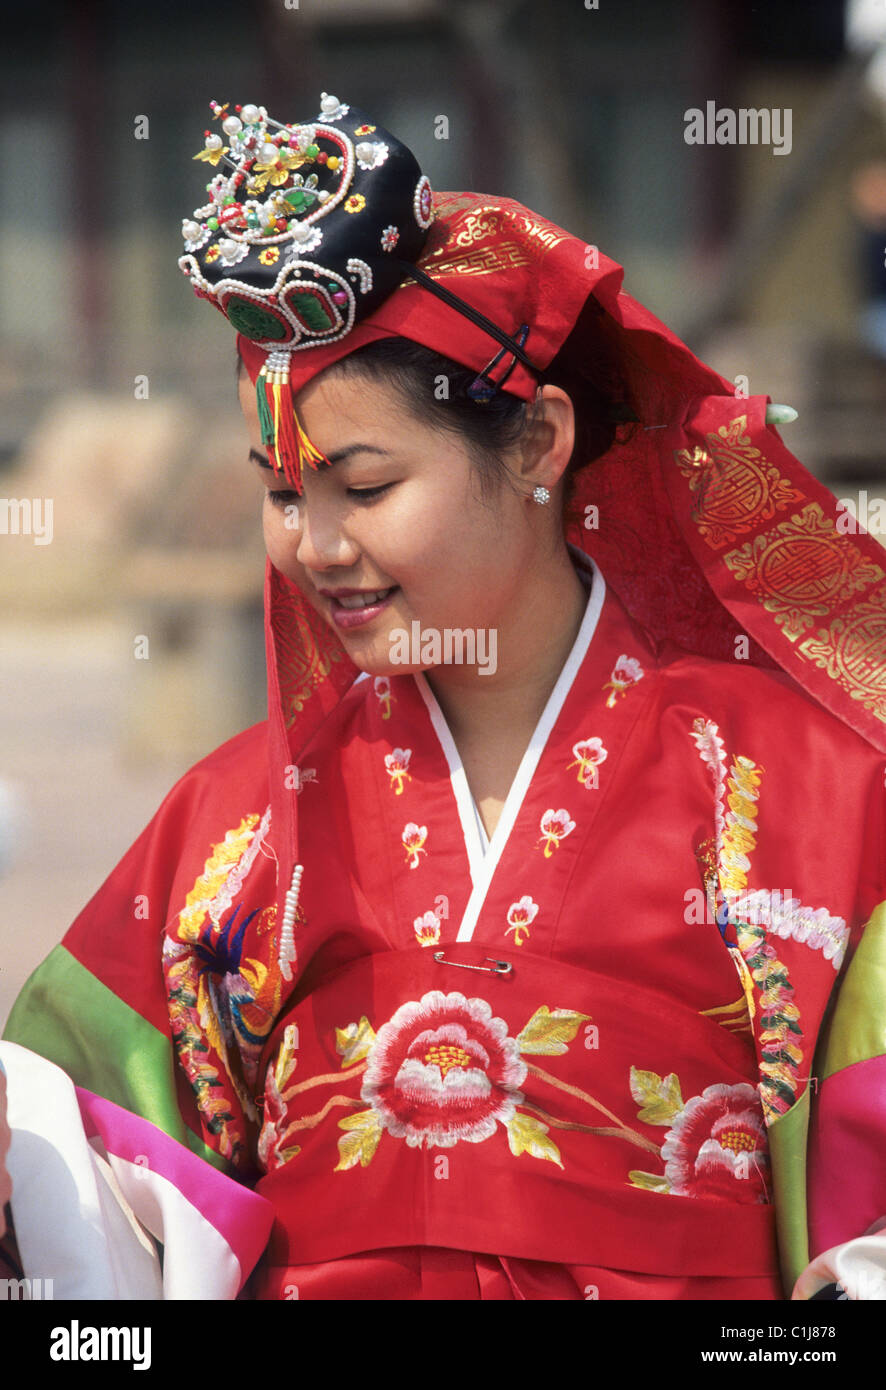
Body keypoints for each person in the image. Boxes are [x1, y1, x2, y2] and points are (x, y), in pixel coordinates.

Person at [3, 92, 886, 1301]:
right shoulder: (236, 825)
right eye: (282, 495)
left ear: (535, 447)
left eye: (362, 487)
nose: (314, 547)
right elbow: (85, 1176)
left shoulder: (806, 796)